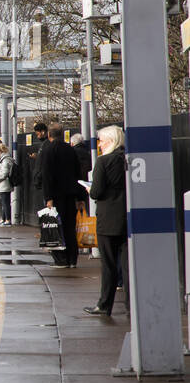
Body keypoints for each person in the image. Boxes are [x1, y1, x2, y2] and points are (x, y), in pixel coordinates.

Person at [85, 125, 128, 316]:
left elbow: (96, 192)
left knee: (109, 264)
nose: (100, 145)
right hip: (127, 217)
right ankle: (131, 305)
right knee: (127, 265)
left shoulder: (103, 162)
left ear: (110, 141)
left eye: (101, 141)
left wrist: (89, 189)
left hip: (108, 219)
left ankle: (104, 305)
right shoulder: (128, 160)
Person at [37, 122, 79, 268]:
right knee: (69, 227)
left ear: (49, 135)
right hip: (70, 195)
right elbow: (77, 173)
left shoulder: (48, 150)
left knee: (55, 227)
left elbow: (47, 176)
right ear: (62, 134)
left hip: (56, 196)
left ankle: (61, 259)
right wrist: (79, 197)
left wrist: (48, 198)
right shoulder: (71, 150)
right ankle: (72, 258)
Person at [70, 132, 91, 216]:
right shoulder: (89, 153)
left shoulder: (72, 153)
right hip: (87, 183)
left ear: (72, 143)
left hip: (76, 184)